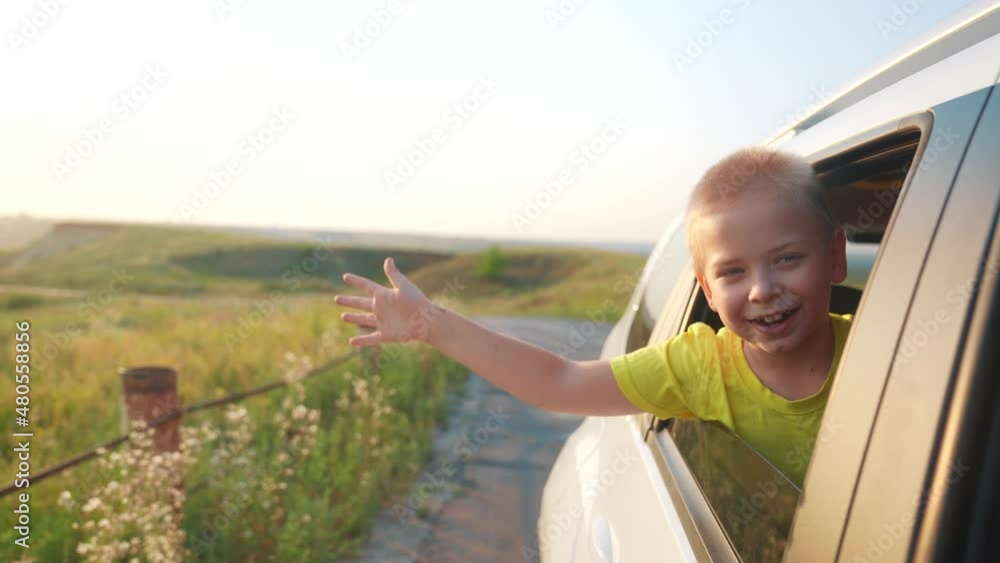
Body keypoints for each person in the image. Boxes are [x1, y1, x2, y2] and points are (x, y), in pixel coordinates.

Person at [333, 147, 850, 487]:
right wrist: (432, 324)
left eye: (787, 258)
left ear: (834, 258)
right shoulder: (699, 367)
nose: (763, 289)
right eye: (733, 272)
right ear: (707, 292)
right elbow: (560, 382)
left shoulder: (893, 348)